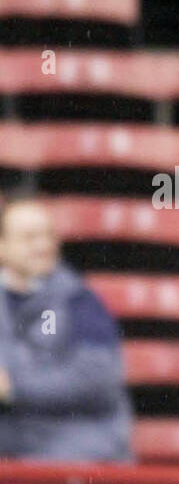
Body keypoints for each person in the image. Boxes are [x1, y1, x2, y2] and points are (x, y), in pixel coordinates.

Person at [0, 197, 133, 464]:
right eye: (29, 237)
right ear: (2, 246)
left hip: (74, 441)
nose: (43, 246)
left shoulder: (80, 302)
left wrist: (14, 388)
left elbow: (98, 380)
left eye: (48, 235)